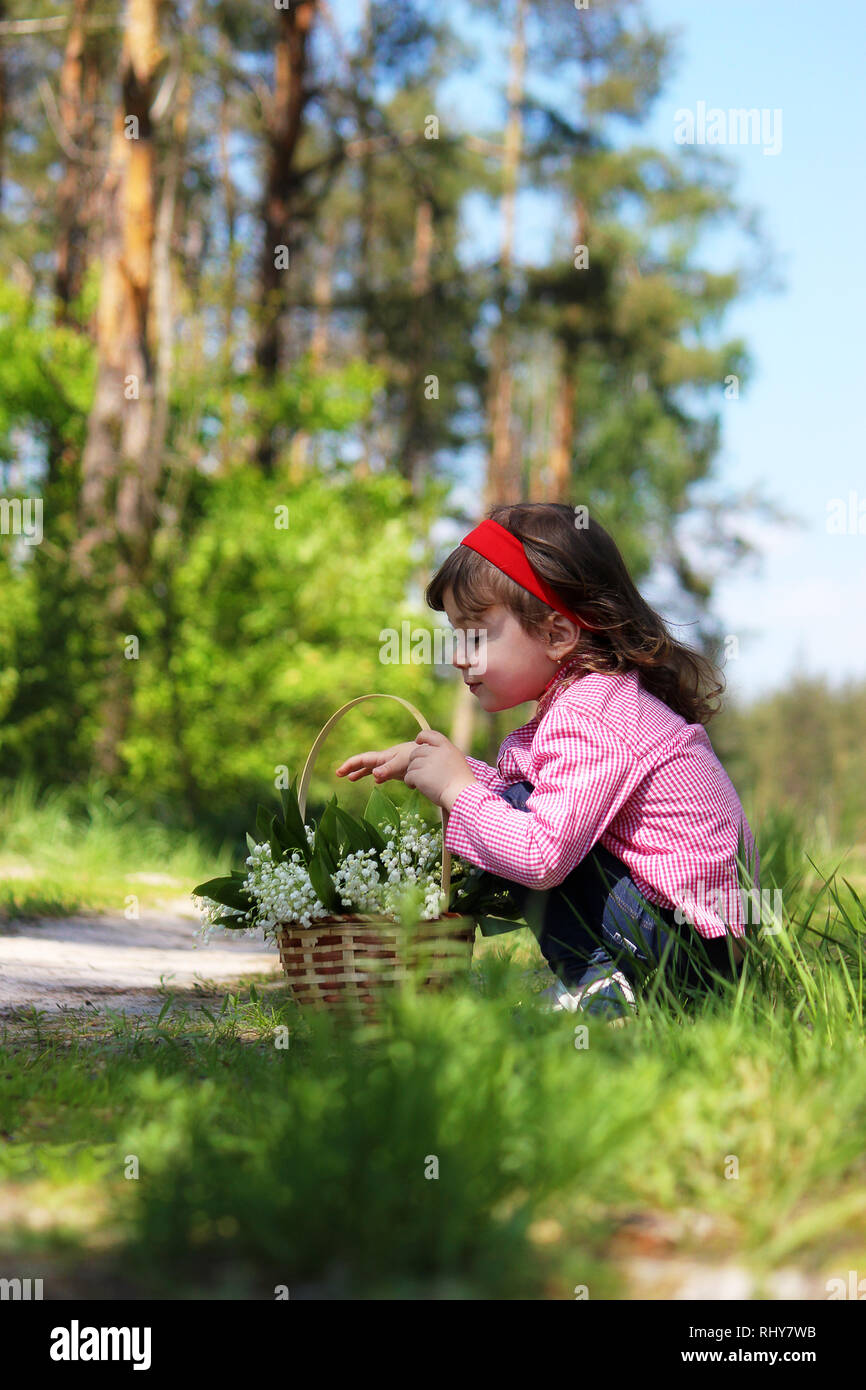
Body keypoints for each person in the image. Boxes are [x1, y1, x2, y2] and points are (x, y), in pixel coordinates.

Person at [336, 503, 758, 1022]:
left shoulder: (587, 714)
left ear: (558, 635)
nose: (457, 655)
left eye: (475, 632)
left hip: (689, 952)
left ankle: (600, 989)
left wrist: (459, 791)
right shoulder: (601, 698)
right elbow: (539, 796)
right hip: (705, 949)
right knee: (514, 806)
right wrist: (440, 768)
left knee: (519, 818)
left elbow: (540, 856)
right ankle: (615, 986)